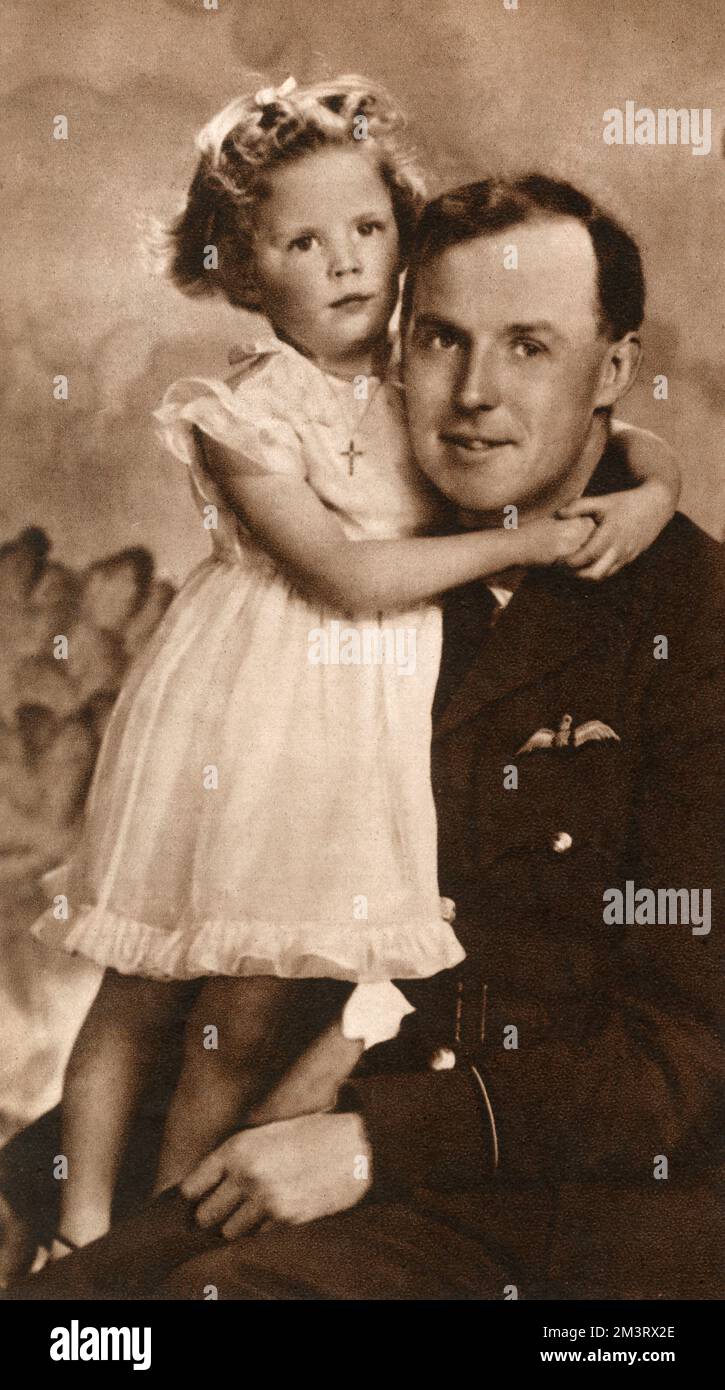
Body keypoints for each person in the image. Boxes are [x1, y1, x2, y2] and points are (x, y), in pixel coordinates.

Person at [3, 162, 704, 1297]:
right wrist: (42, 1179)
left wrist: (381, 1137)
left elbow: (687, 1061)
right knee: (58, 1313)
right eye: (438, 339)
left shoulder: (695, 629)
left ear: (611, 368)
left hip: (559, 1199)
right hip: (281, 1127)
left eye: (528, 345)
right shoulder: (370, 595)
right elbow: (240, 940)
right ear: (393, 340)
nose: (473, 391)